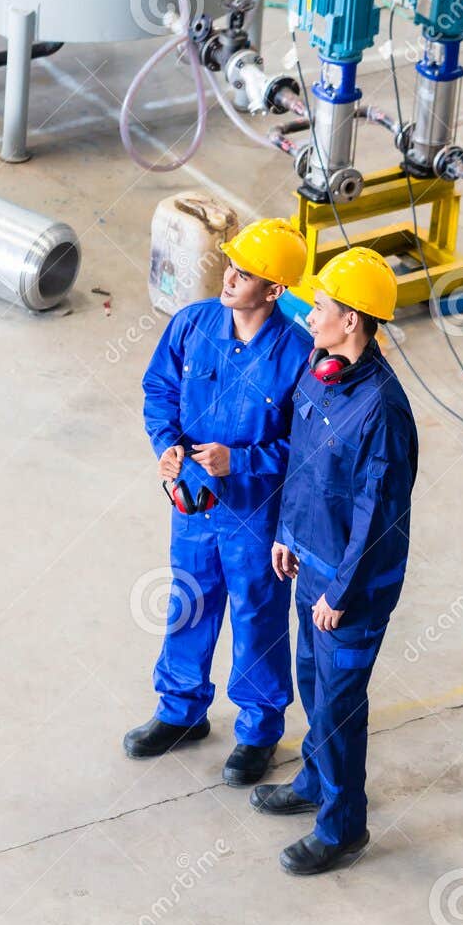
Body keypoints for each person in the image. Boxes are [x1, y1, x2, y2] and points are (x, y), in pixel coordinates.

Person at [128, 218, 313, 787]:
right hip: (193, 503)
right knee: (189, 601)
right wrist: (168, 449)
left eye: (247, 273)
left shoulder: (298, 352)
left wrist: (242, 462)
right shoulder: (192, 324)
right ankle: (181, 712)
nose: (230, 277)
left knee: (256, 616)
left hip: (256, 512)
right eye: (232, 265)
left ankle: (259, 731)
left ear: (275, 290)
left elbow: (309, 446)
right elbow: (159, 390)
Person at [252, 246, 418, 875]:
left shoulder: (381, 409)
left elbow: (380, 518)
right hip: (308, 560)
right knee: (312, 684)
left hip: (352, 587)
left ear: (352, 319)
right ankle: (315, 782)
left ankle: (343, 828)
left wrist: (341, 595)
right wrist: (286, 534)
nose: (309, 312)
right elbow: (302, 465)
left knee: (339, 705)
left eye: (320, 305)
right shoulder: (320, 370)